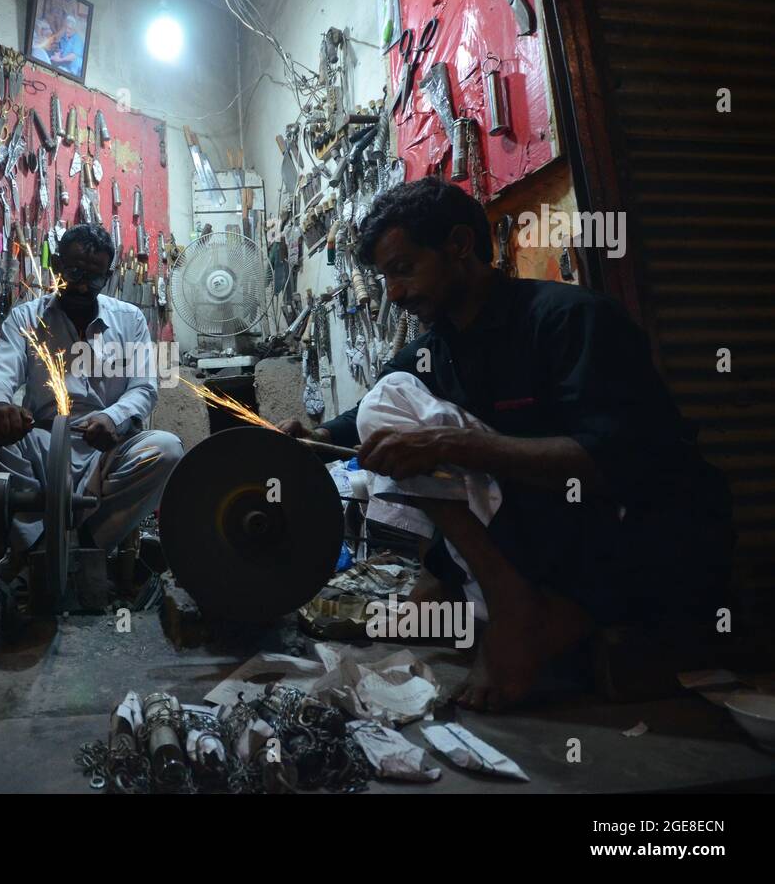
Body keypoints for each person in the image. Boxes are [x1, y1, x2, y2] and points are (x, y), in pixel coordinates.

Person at [279, 176, 732, 710]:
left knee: (428, 442)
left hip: (623, 525)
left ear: (459, 246)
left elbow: (619, 463)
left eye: (403, 270)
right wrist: (322, 435)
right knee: (386, 403)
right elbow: (369, 412)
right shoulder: (436, 347)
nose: (394, 294)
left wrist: (454, 445)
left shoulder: (570, 319)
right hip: (532, 516)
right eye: (385, 279)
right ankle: (482, 590)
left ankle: (519, 605)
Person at [0, 223, 181, 563]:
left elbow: (144, 387)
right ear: (56, 266)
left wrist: (112, 417)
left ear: (106, 278)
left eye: (93, 277)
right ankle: (35, 542)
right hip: (42, 444)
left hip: (106, 449)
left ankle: (90, 543)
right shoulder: (26, 317)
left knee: (166, 450)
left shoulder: (130, 319)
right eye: (74, 271)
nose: (80, 284)